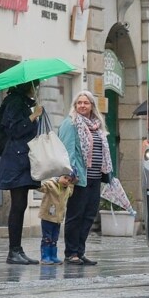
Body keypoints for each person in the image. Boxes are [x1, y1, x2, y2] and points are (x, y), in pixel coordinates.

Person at [57, 90, 112, 265]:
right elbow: (67, 149)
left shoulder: (97, 125)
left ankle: (80, 251)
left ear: (92, 106)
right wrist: (70, 172)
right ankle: (71, 252)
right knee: (75, 215)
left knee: (89, 215)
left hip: (95, 177)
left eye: (85, 103)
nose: (82, 105)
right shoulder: (70, 123)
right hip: (79, 177)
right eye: (79, 103)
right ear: (75, 106)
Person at [0, 80, 43, 265]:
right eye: (34, 86)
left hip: (21, 160)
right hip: (15, 161)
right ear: (27, 86)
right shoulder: (14, 102)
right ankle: (13, 251)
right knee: (18, 206)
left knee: (20, 205)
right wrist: (33, 116)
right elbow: (14, 130)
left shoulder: (22, 103)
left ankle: (17, 249)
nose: (36, 89)